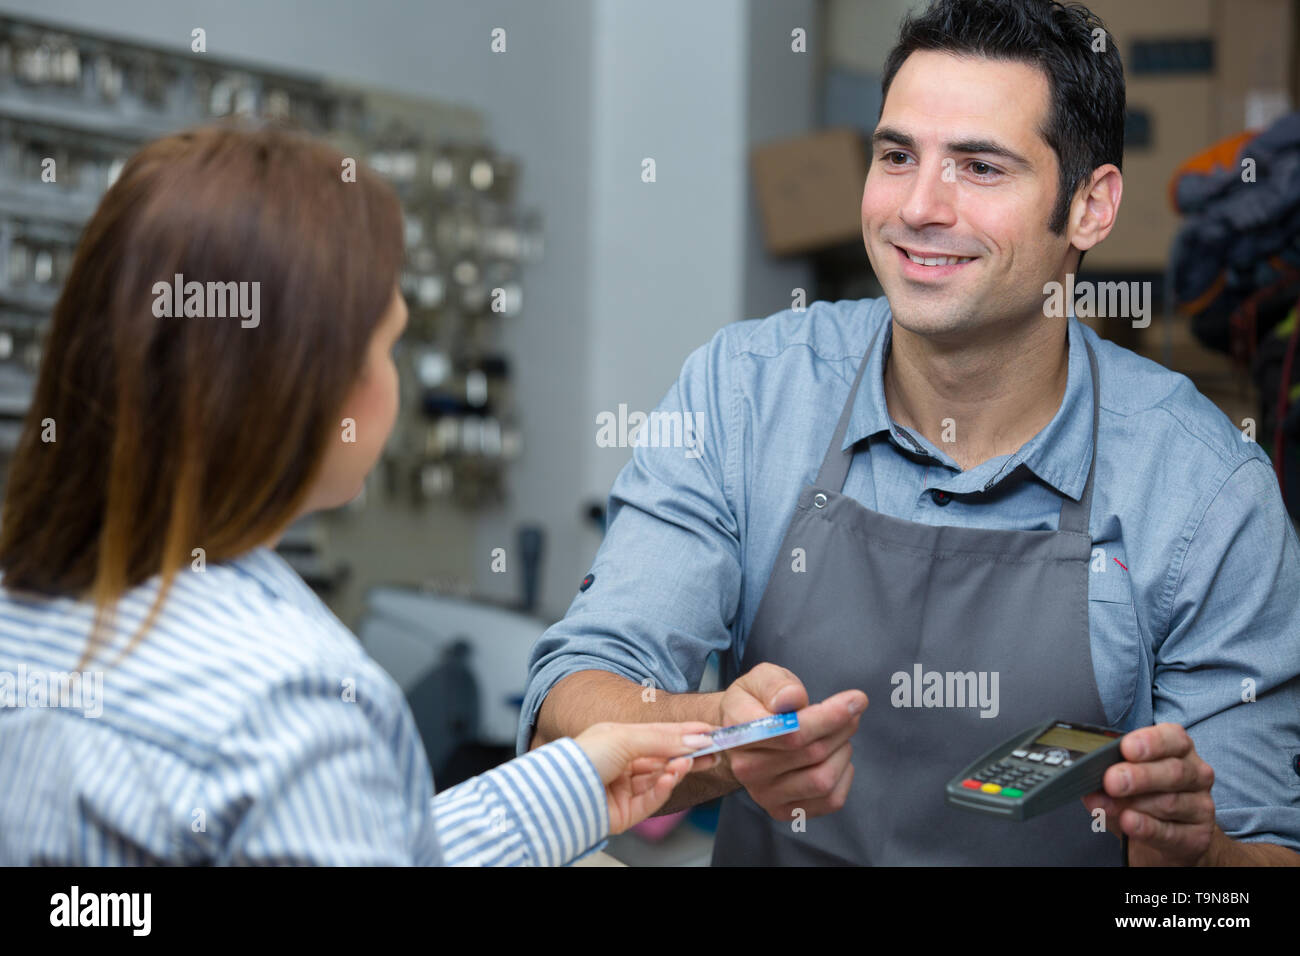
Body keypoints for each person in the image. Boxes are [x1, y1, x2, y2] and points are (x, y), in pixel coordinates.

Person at [522, 0, 1300, 866]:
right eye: (897, 156)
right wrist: (716, 734)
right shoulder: (746, 393)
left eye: (979, 166)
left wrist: (1201, 863)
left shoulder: (1206, 490)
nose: (919, 207)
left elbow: (1261, 851)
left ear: (1090, 207)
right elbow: (573, 697)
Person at [0, 123, 719, 866]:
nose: (394, 383)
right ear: (302, 386)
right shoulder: (295, 704)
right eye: (387, 346)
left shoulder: (30, 615)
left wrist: (565, 790)